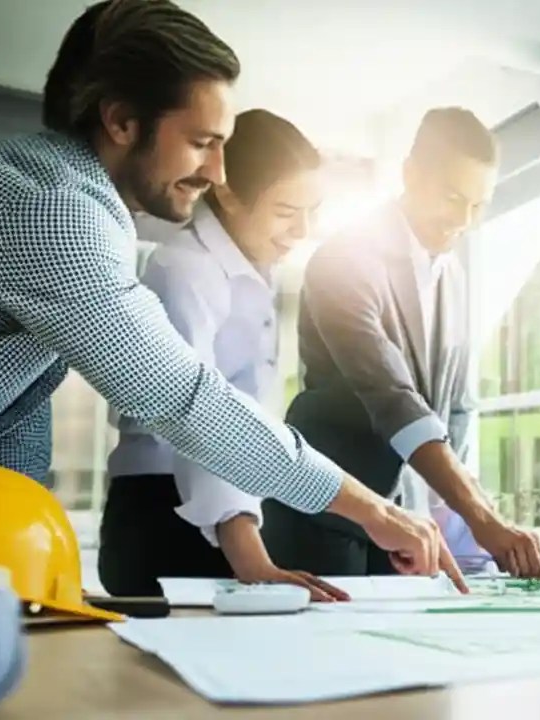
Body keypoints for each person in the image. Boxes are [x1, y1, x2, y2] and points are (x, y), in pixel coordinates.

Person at [0, 0, 463, 592]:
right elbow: (182, 398)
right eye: (203, 141)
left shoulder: (42, 189)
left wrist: (23, 583)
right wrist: (372, 511)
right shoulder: (52, 212)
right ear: (122, 122)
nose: (220, 173)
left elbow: (11, 413)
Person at [265, 108, 540, 579]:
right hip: (325, 512)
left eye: (478, 205)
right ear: (411, 174)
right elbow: (391, 395)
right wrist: (483, 520)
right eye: (453, 197)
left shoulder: (453, 277)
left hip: (403, 522)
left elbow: (454, 408)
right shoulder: (346, 257)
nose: (464, 220)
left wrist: (461, 520)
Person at [99, 109, 349, 599]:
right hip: (162, 511)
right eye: (286, 211)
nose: (302, 230)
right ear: (228, 193)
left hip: (228, 512)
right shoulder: (185, 270)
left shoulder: (256, 268)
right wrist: (249, 555)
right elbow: (195, 415)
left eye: (312, 211)